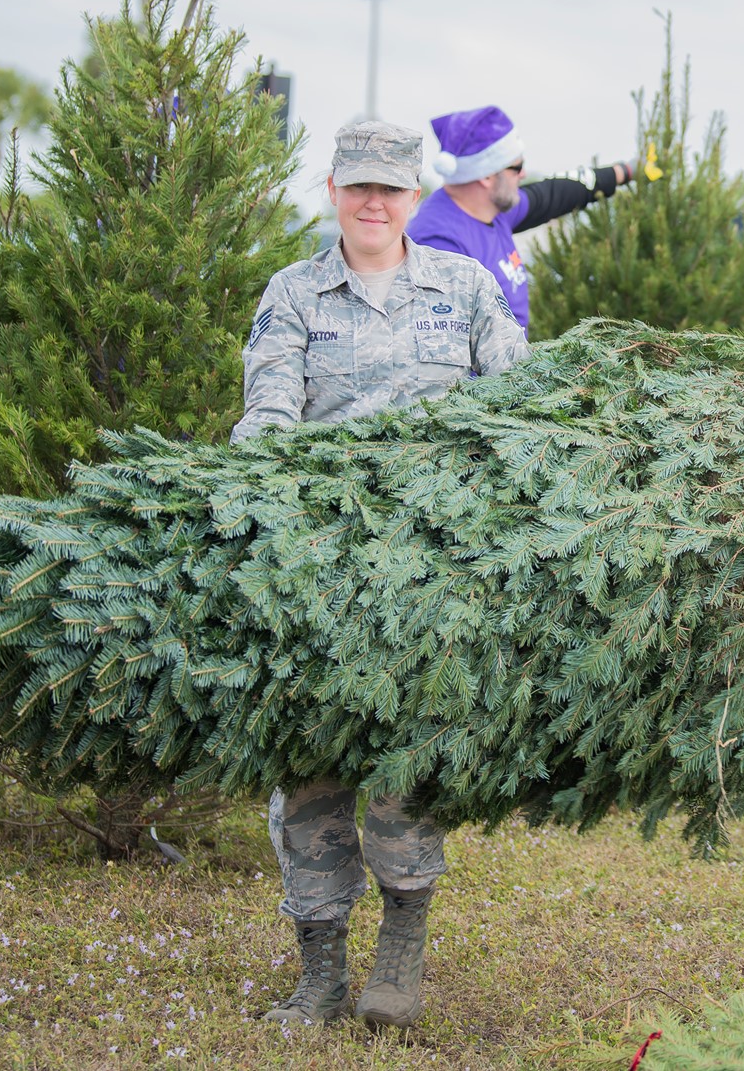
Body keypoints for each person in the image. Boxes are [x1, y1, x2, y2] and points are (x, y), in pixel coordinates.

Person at [235, 120, 528, 1030]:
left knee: (408, 762)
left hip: (435, 570)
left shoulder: (468, 288)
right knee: (311, 766)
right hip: (320, 569)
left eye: (390, 189)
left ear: (414, 195)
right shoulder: (292, 295)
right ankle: (319, 971)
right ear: (332, 190)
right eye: (356, 186)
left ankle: (401, 947)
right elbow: (268, 412)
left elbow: (522, 411)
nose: (372, 202)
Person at [405, 105, 645, 333]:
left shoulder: (493, 212)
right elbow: (444, 354)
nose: (524, 174)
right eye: (517, 167)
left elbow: (552, 194)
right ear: (487, 175)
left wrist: (626, 171)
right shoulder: (439, 243)